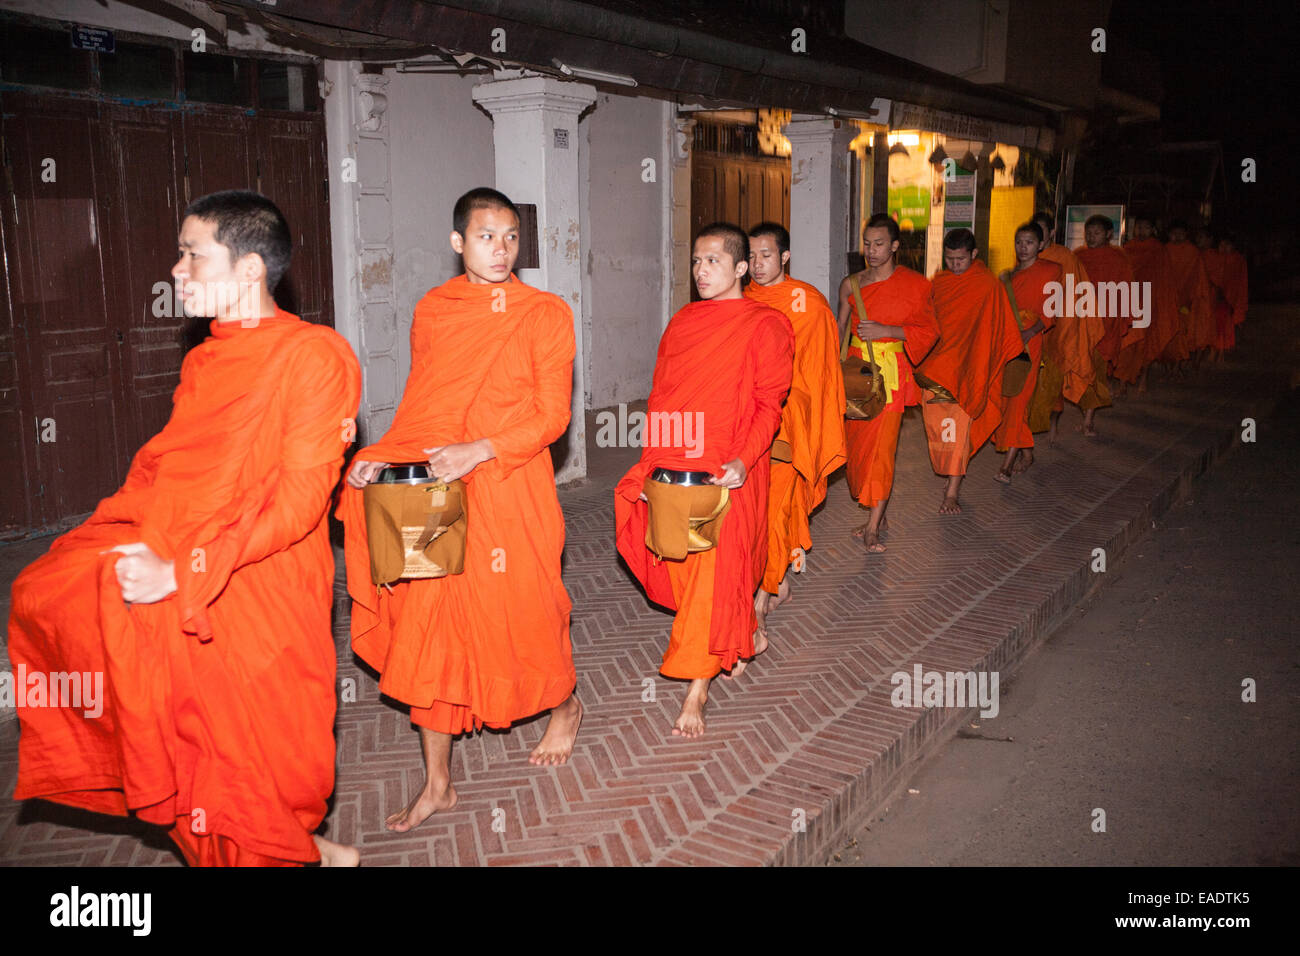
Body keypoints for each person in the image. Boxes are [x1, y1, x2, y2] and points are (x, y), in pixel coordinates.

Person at [8, 190, 362, 866]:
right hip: (183, 556)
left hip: (258, 582)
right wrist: (129, 534)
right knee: (52, 600)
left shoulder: (315, 356)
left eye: (193, 254)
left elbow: (296, 502)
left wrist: (184, 573)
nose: (176, 269)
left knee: (266, 755)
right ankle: (296, 848)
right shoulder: (204, 359)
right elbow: (170, 469)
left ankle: (290, 843)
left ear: (250, 269)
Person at [338, 187, 582, 832]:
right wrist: (380, 456)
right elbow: (424, 406)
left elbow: (552, 416)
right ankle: (438, 783)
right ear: (458, 243)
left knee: (527, 607)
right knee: (430, 625)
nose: (500, 250)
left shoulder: (546, 313)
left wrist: (480, 449)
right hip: (437, 491)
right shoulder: (434, 310)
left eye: (509, 237)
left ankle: (564, 707)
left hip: (510, 485)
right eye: (485, 237)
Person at [615, 223, 793, 736]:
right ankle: (742, 630)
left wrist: (742, 458)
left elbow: (768, 403)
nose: (700, 271)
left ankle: (698, 687)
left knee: (715, 575)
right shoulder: (684, 322)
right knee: (684, 564)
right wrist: (652, 459)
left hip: (732, 468)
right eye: (695, 261)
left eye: (712, 261)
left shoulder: (766, 325)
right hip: (679, 464)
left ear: (741, 268)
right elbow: (662, 395)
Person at [743, 222, 845, 640]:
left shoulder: (809, 305)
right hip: (749, 425)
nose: (756, 264)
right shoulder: (742, 299)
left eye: (765, 255)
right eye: (749, 256)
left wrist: (812, 422)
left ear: (784, 256)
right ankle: (778, 580)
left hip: (790, 424)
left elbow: (821, 371)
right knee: (754, 511)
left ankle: (761, 603)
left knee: (776, 507)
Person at [835, 213, 938, 552]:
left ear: (894, 246)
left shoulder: (915, 285)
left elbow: (930, 331)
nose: (872, 250)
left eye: (879, 244)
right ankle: (877, 509)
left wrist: (888, 332)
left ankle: (873, 527)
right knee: (857, 454)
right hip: (856, 376)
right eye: (867, 244)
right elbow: (838, 332)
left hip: (890, 377)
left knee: (881, 453)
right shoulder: (851, 284)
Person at [916, 228, 1023, 513]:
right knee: (938, 427)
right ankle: (951, 471)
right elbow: (926, 320)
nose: (955, 265)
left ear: (974, 255)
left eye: (961, 259)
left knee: (960, 429)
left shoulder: (988, 286)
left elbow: (1002, 329)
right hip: (938, 368)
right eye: (950, 259)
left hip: (970, 368)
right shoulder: (939, 283)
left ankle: (953, 490)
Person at [1030, 211, 1108, 442]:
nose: (1034, 239)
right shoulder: (1026, 258)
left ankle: (1087, 419)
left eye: (1040, 233)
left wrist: (1075, 324)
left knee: (1079, 369)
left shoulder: (1066, 257)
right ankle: (1049, 422)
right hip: (1037, 327)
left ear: (1051, 233)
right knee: (1046, 379)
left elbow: (1077, 293)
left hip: (1065, 324)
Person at [993, 222, 1060, 481]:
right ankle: (1027, 451)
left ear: (1041, 245)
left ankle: (1007, 465)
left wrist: (1030, 333)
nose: (1023, 247)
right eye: (1019, 242)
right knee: (1004, 399)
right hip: (1006, 342)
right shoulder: (1007, 276)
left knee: (1019, 400)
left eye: (1030, 242)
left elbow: (1051, 311)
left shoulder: (1052, 271)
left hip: (1030, 342)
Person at [1074, 215, 1141, 398]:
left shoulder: (1118, 257)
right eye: (1088, 233)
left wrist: (1125, 311)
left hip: (1109, 314)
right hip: (1083, 313)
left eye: (1097, 233)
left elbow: (1126, 285)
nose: (1091, 237)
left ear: (1109, 234)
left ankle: (1102, 384)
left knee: (1105, 351)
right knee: (1085, 353)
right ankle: (1089, 388)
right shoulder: (1078, 255)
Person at [1123, 216, 1179, 392]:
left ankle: (1143, 378)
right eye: (1139, 227)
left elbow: (1165, 277)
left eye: (1146, 227)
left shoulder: (1158, 250)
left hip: (1150, 299)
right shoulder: (1127, 248)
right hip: (1129, 299)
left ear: (1153, 230)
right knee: (1126, 341)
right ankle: (1124, 380)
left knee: (1146, 342)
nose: (1141, 231)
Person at [1160, 220, 1214, 379]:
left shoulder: (1193, 252)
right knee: (1165, 336)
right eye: (1173, 233)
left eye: (1180, 233)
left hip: (1186, 302)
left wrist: (1195, 298)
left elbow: (1199, 277)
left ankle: (1177, 366)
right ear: (1169, 235)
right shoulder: (1163, 251)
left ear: (1186, 235)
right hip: (1166, 301)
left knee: (1181, 334)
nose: (1176, 236)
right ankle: (1168, 368)